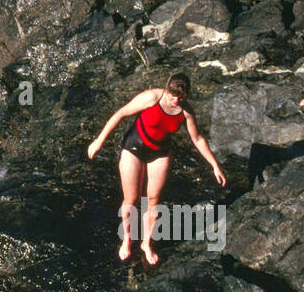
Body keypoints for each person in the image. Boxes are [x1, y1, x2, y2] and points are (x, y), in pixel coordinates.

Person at [86, 73, 226, 265]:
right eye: (172, 95)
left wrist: (215, 165)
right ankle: (127, 239)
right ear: (167, 89)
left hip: (160, 152)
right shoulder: (152, 97)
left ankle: (146, 243)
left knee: (153, 201)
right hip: (134, 146)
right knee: (132, 199)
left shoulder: (186, 112)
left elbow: (198, 138)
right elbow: (121, 114)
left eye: (181, 97)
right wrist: (98, 141)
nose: (175, 100)